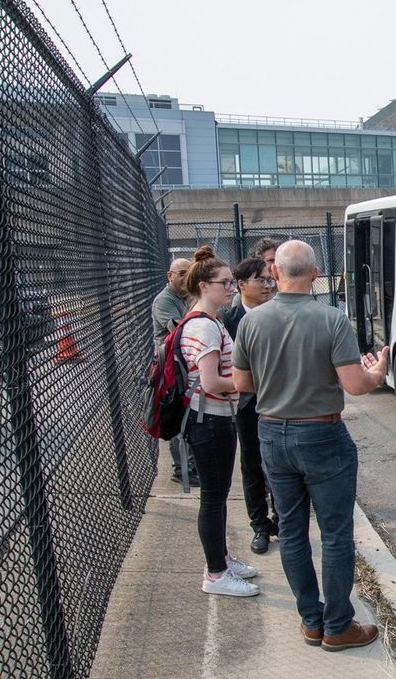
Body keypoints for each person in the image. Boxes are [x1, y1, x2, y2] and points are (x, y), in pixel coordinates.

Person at [232, 240, 390, 651]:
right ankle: (339, 625)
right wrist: (378, 373)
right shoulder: (331, 319)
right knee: (336, 533)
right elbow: (356, 385)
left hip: (271, 432)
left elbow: (242, 385)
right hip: (322, 434)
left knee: (293, 530)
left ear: (276, 274)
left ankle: (310, 619)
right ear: (316, 274)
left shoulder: (251, 322)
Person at [177, 246, 259, 598]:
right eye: (224, 283)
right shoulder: (205, 327)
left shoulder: (205, 323)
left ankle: (220, 558)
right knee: (213, 497)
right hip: (209, 420)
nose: (230, 288)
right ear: (203, 286)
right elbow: (211, 382)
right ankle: (215, 574)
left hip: (212, 418)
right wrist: (247, 383)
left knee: (218, 495)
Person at [220, 256, 279, 555]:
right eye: (262, 280)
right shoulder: (227, 321)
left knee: (280, 464)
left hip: (280, 400)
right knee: (252, 464)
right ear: (242, 284)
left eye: (271, 279)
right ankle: (259, 526)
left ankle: (281, 519)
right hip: (246, 405)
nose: (269, 285)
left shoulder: (280, 314)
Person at [152, 257, 197, 485]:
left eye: (188, 273)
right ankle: (182, 470)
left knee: (188, 415)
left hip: (183, 365)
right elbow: (180, 329)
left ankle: (190, 465)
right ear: (170, 276)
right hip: (170, 368)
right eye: (181, 273)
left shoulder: (187, 296)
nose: (185, 277)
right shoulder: (164, 300)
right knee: (176, 415)